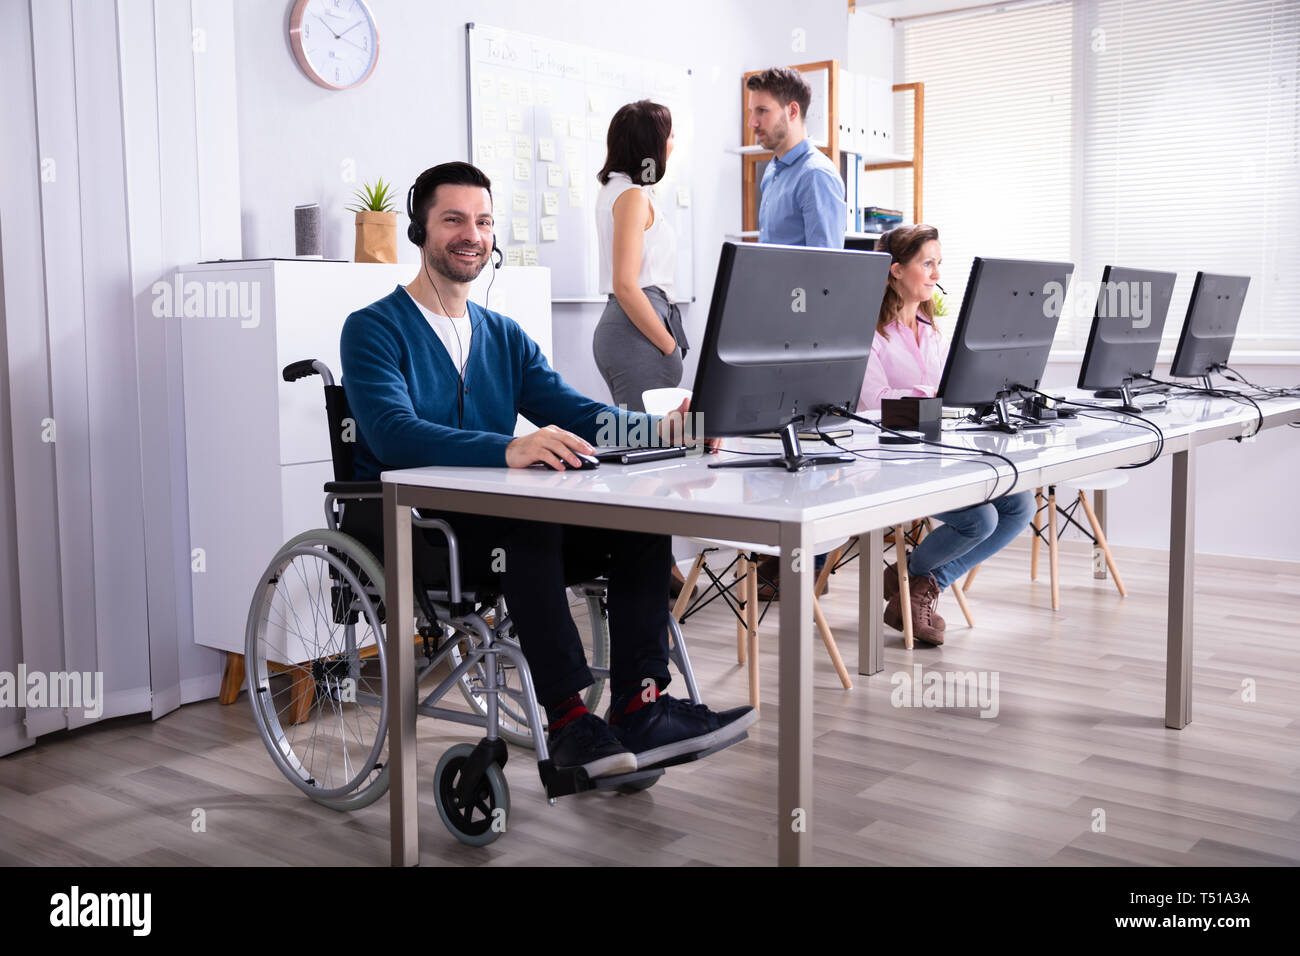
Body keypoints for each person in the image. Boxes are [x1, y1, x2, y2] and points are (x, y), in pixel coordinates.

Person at [339, 162, 755, 780]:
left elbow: (579, 413)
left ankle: (641, 706)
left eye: (482, 221)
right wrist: (507, 449)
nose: (471, 234)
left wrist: (673, 431)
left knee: (636, 517)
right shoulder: (373, 328)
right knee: (529, 523)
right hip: (424, 531)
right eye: (452, 219)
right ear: (419, 231)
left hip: (502, 525)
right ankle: (567, 724)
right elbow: (390, 434)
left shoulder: (502, 335)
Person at [861, 224, 1035, 645]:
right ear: (896, 270)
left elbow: (948, 390)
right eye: (928, 263)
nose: (936, 273)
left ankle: (920, 585)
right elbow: (872, 406)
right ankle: (912, 585)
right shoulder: (871, 333)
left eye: (939, 263)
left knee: (1020, 505)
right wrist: (933, 395)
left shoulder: (931, 327)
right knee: (979, 518)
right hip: (888, 459)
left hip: (937, 450)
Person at [746, 66, 848, 597]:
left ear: (792, 111)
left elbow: (827, 271)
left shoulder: (817, 175)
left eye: (762, 111)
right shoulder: (772, 172)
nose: (753, 122)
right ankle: (788, 559)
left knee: (808, 448)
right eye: (752, 111)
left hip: (804, 335)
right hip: (772, 329)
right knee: (775, 446)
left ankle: (807, 564)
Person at [593, 99, 687, 413]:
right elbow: (625, 285)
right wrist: (667, 344)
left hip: (632, 326)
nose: (673, 143)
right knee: (653, 441)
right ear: (653, 145)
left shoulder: (619, 190)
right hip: (636, 326)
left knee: (648, 440)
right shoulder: (631, 196)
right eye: (670, 136)